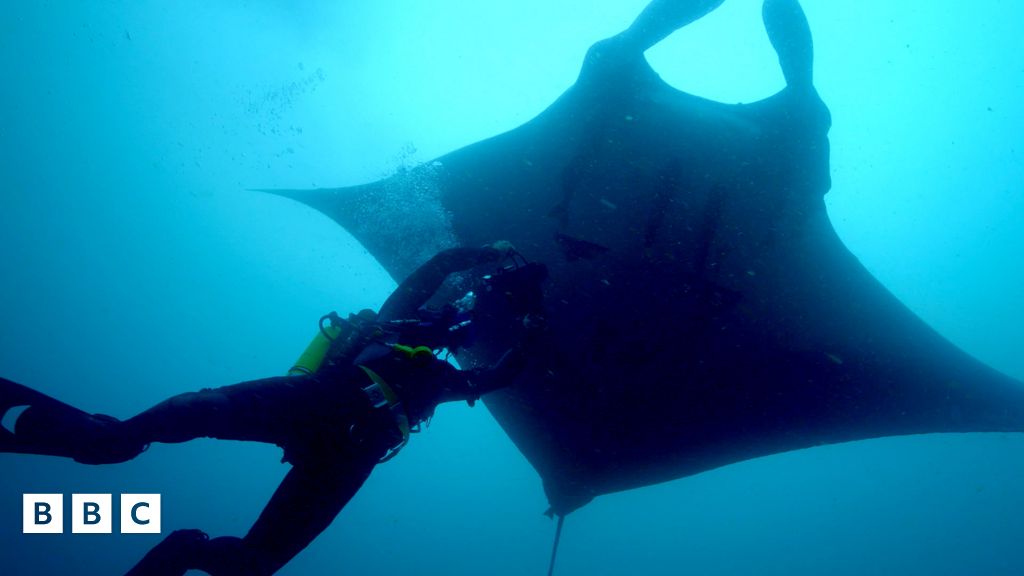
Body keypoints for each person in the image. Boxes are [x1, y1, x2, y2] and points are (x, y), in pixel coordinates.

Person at [0, 242, 547, 576]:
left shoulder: (446, 380)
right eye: (454, 316)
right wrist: (488, 253)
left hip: (350, 457)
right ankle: (106, 439)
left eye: (462, 326)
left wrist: (530, 328)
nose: (454, 324)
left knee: (254, 564)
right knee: (201, 408)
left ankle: (186, 552)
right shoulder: (391, 324)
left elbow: (498, 376)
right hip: (321, 400)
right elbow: (437, 268)